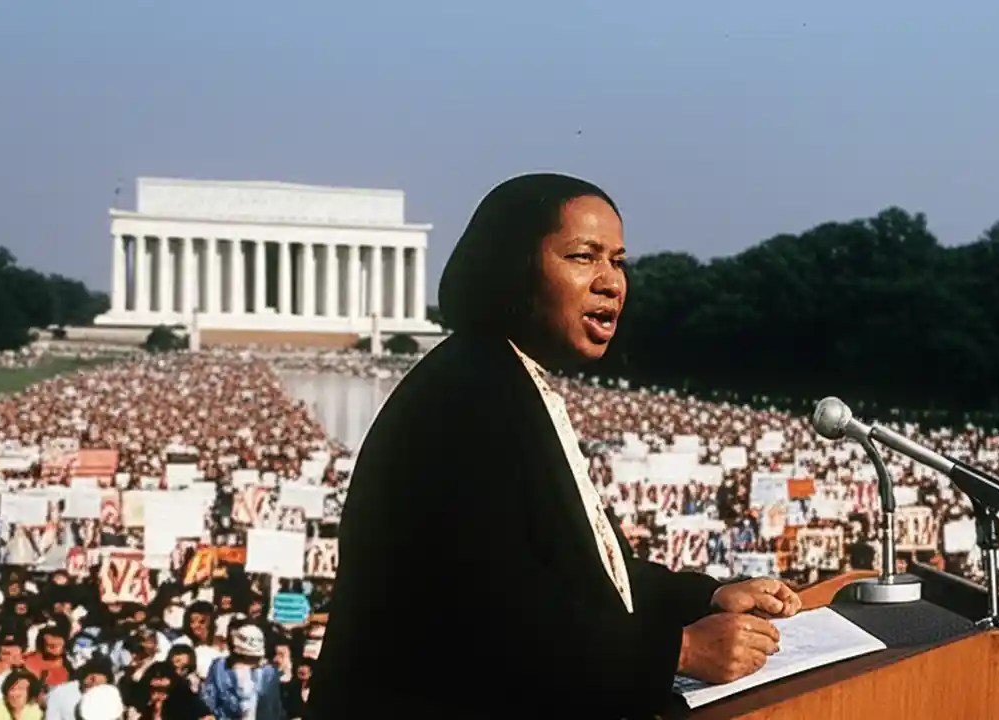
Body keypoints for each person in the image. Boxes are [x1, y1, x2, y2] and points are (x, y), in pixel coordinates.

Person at [308, 173, 801, 718]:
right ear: (511, 270)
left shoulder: (500, 376)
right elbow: (490, 615)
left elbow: (589, 573)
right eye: (583, 257)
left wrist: (704, 598)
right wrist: (681, 650)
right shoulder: (469, 395)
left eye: (618, 260)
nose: (611, 282)